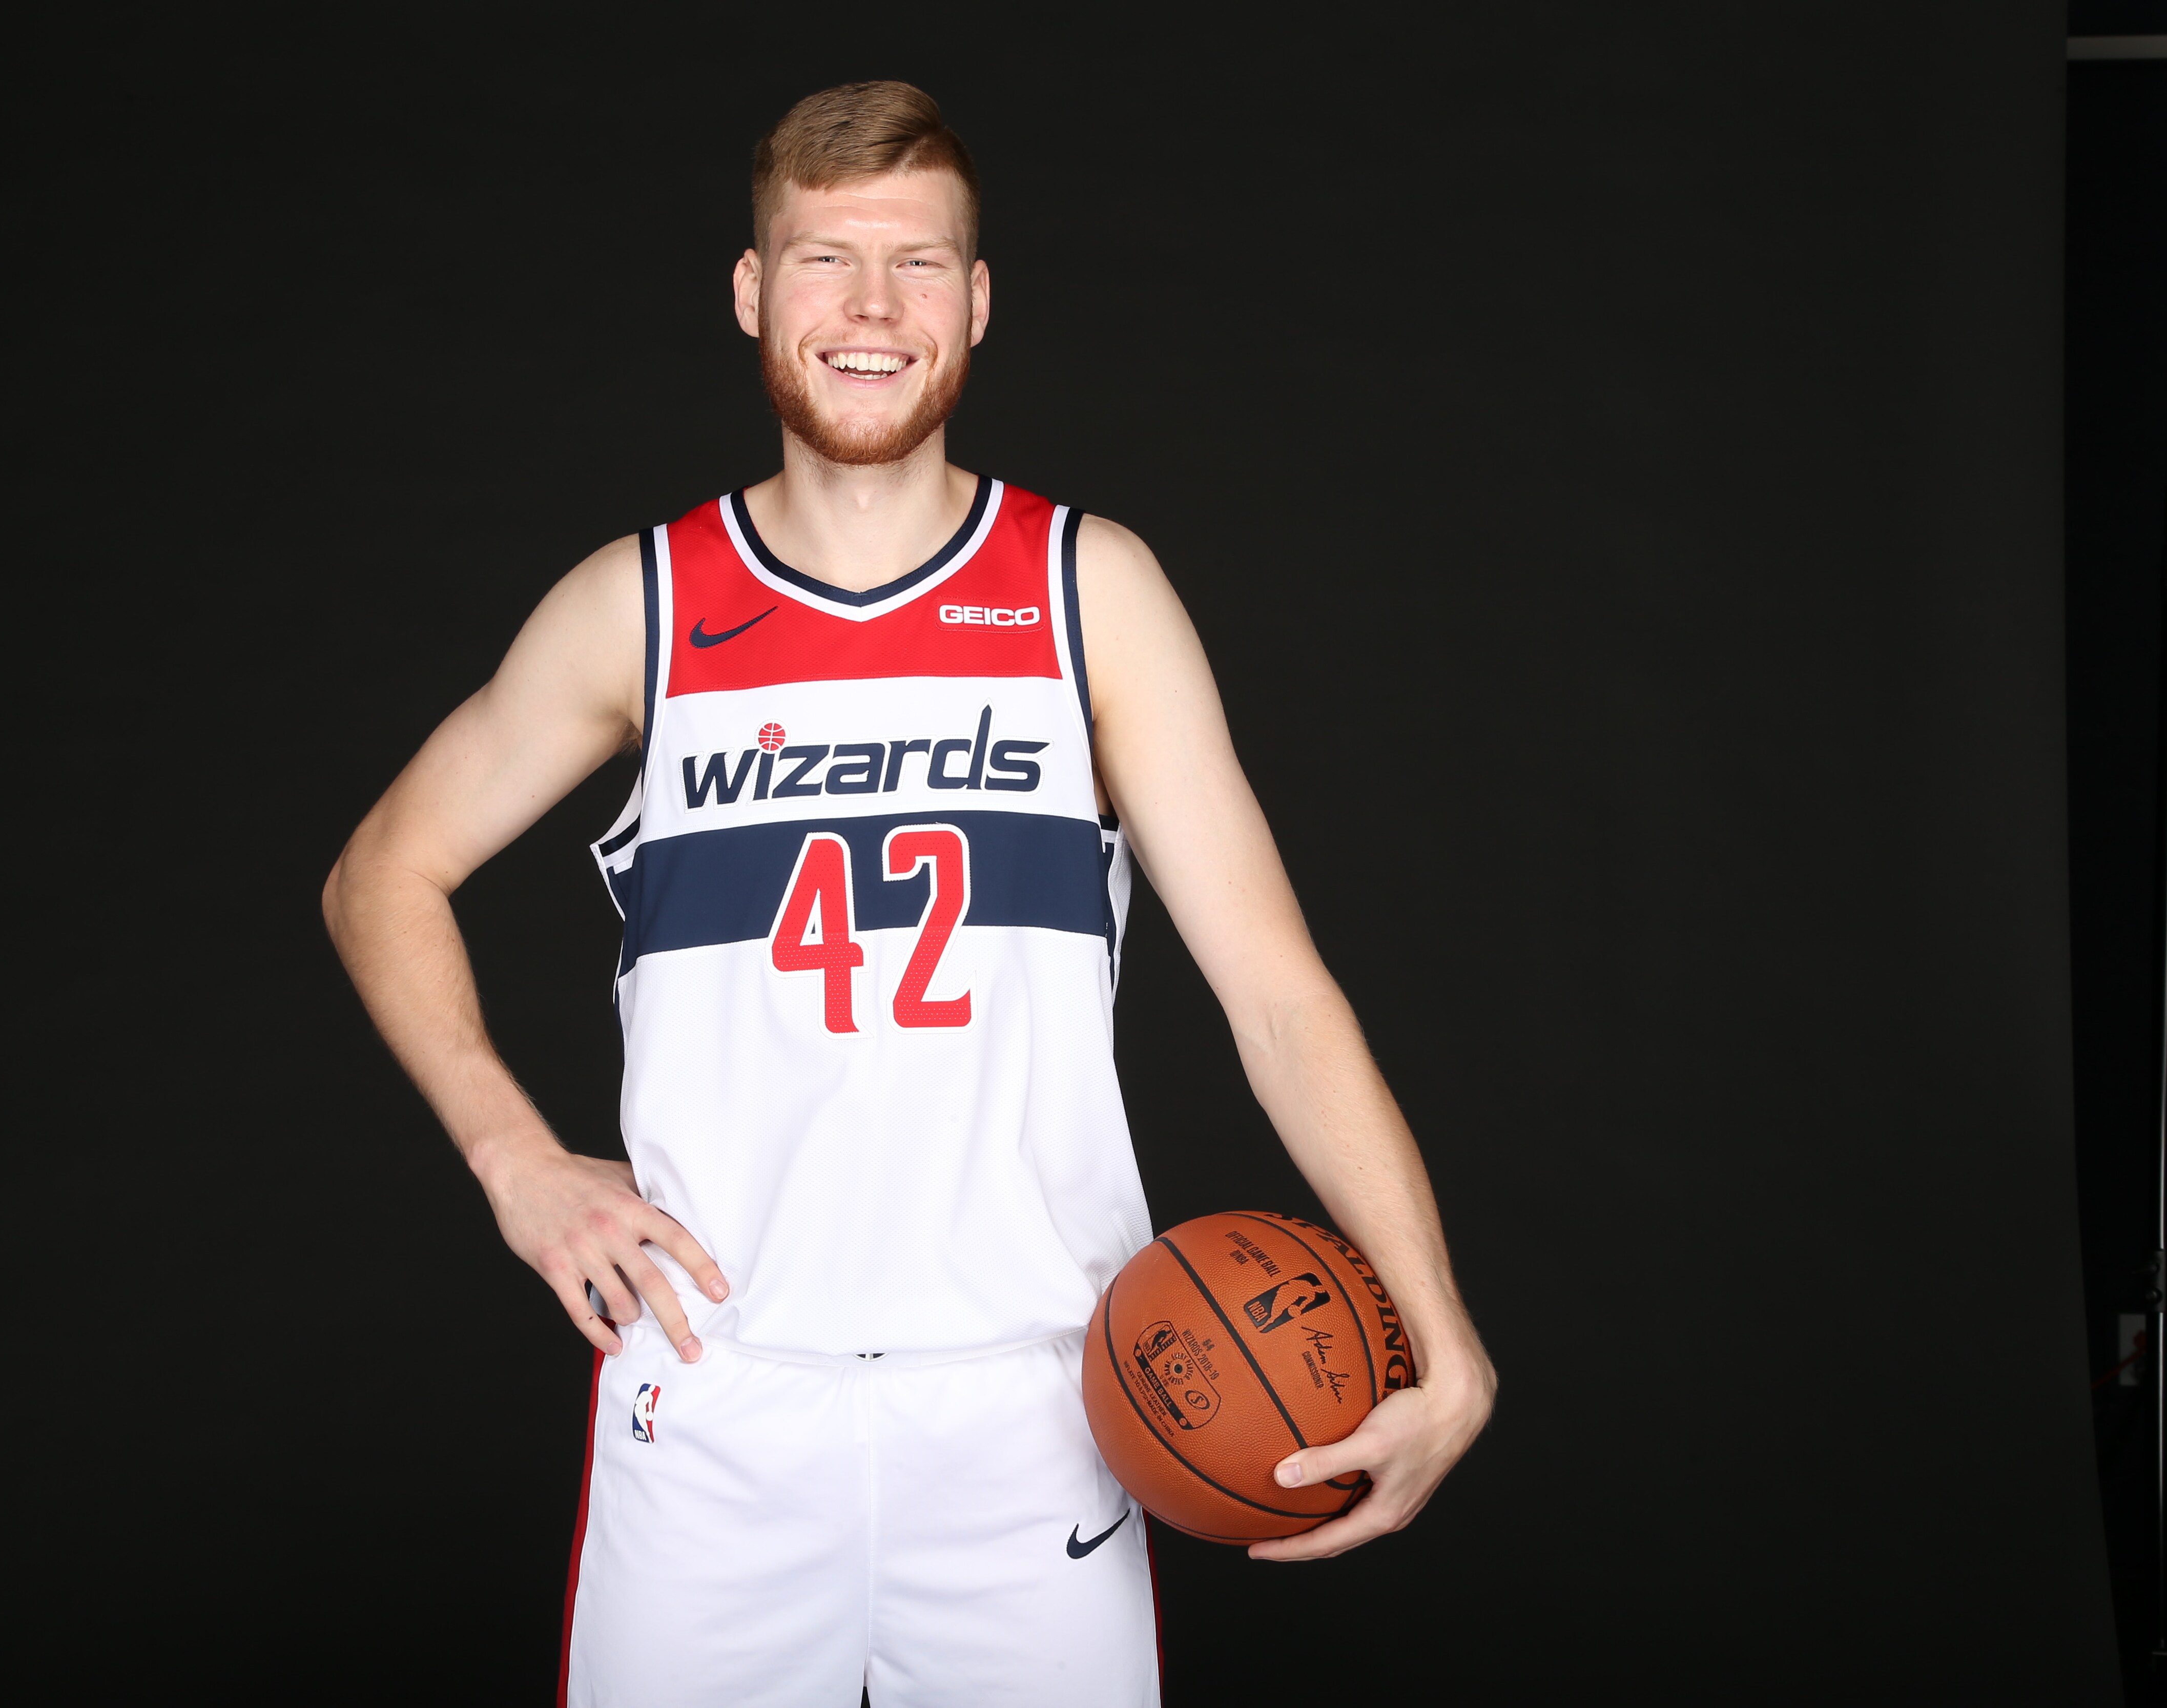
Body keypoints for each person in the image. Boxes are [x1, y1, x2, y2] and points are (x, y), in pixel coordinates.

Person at [322, 80, 1494, 1707]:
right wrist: (515, 1159)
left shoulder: (1090, 589)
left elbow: (1280, 998)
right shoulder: (644, 607)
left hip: (1036, 1411)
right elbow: (384, 870)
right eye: (823, 260)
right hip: (719, 1398)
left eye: (919, 264)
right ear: (752, 293)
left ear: (979, 301)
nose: (872, 309)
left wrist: (1441, 1325)